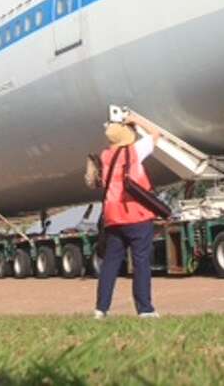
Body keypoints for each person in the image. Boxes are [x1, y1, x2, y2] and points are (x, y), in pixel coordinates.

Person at [94, 111, 162, 319]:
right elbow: (156, 134)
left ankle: (101, 309)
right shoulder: (134, 152)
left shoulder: (105, 157)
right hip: (137, 215)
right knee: (141, 262)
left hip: (113, 218)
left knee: (110, 264)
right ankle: (144, 309)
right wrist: (137, 120)